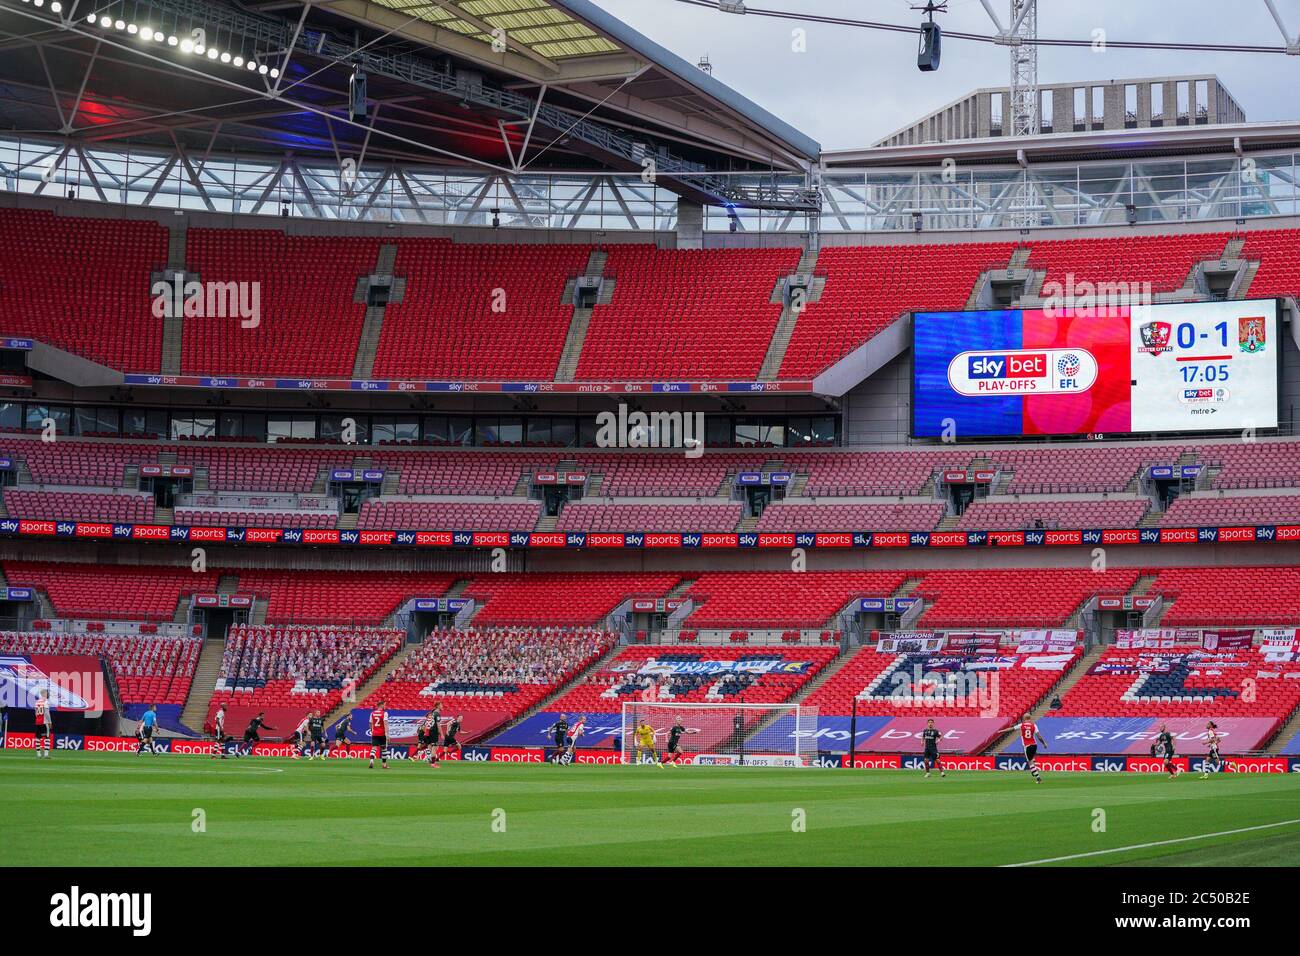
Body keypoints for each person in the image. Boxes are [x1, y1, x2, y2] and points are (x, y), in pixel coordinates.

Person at [1005, 712, 1046, 783]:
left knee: (1030, 762)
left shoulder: (1022, 725)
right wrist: (1044, 743)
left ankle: (1038, 778)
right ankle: (1033, 770)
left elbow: (1012, 729)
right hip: (1034, 745)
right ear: (1030, 718)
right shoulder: (1034, 725)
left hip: (1027, 746)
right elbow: (1039, 736)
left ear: (1024, 718)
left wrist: (1002, 731)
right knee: (1032, 758)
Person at [368, 701, 389, 770]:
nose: (385, 706)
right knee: (384, 749)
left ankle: (371, 761)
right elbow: (385, 723)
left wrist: (371, 730)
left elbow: (370, 723)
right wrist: (387, 734)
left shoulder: (372, 713)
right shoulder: (384, 713)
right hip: (382, 733)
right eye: (384, 705)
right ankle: (384, 764)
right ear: (381, 705)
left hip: (375, 733)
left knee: (374, 748)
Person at [33, 689, 52, 760]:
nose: (48, 694)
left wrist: (38, 718)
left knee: (38, 738)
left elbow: (35, 713)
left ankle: (38, 754)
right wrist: (50, 722)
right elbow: (47, 713)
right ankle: (46, 754)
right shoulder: (46, 702)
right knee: (47, 738)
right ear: (44, 694)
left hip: (37, 722)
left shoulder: (37, 702)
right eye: (47, 693)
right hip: (44, 722)